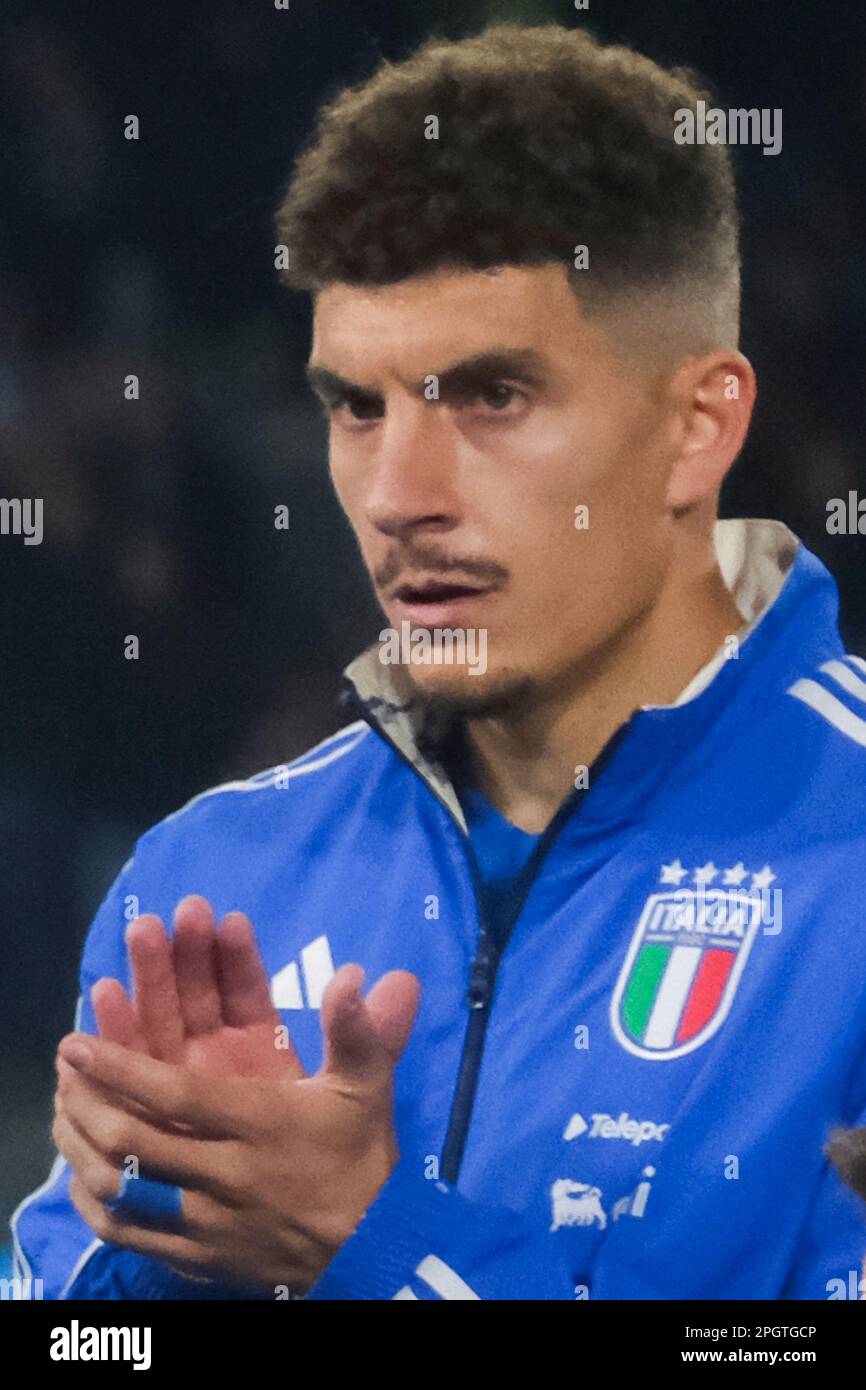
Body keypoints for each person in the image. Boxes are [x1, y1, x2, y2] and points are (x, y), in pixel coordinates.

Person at [13, 21, 866, 1301]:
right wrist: (173, 1271)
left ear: (695, 429)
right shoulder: (207, 880)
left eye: (490, 396)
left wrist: (380, 1250)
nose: (397, 494)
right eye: (357, 406)